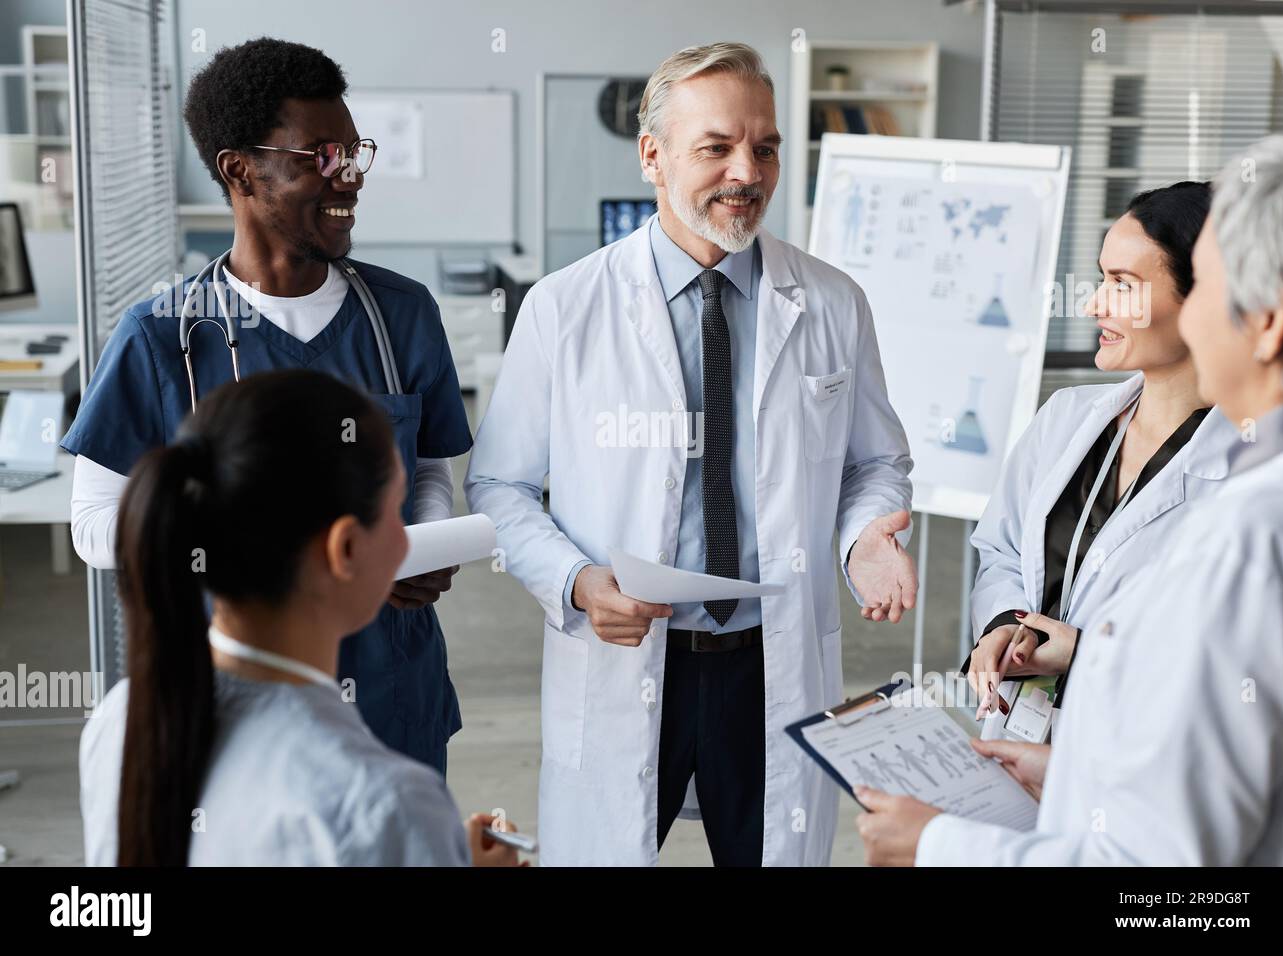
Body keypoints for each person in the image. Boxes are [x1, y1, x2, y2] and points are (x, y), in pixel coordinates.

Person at [466, 42, 916, 867]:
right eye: (716, 147)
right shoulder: (565, 309)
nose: (747, 170)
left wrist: (863, 540)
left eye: (766, 146)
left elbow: (875, 463)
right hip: (628, 649)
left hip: (770, 658)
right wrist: (572, 580)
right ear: (653, 155)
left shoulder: (832, 303)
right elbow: (500, 483)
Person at [856, 129, 1283, 866]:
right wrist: (1068, 774)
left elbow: (1156, 881)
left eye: (1210, 290)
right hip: (1046, 754)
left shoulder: (1254, 526)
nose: (1097, 302)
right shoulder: (1080, 423)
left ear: (1268, 318)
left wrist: (933, 844)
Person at [62, 39, 471, 772]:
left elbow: (434, 468)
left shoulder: (401, 315)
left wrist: (423, 541)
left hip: (391, 692)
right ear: (240, 171)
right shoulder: (162, 337)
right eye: (319, 155)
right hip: (234, 700)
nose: (348, 175)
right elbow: (94, 526)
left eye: (353, 151)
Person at [80, 370, 522, 866]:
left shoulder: (121, 718)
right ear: (346, 549)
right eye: (396, 512)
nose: (406, 535)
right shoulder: (384, 803)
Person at [963, 181, 1236, 720]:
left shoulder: (1254, 468)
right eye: (1100, 278)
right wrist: (1003, 625)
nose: (1092, 304)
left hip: (1144, 757)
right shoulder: (1067, 417)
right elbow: (1002, 552)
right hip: (1021, 732)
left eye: (1123, 284)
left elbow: (1236, 664)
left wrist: (1087, 655)